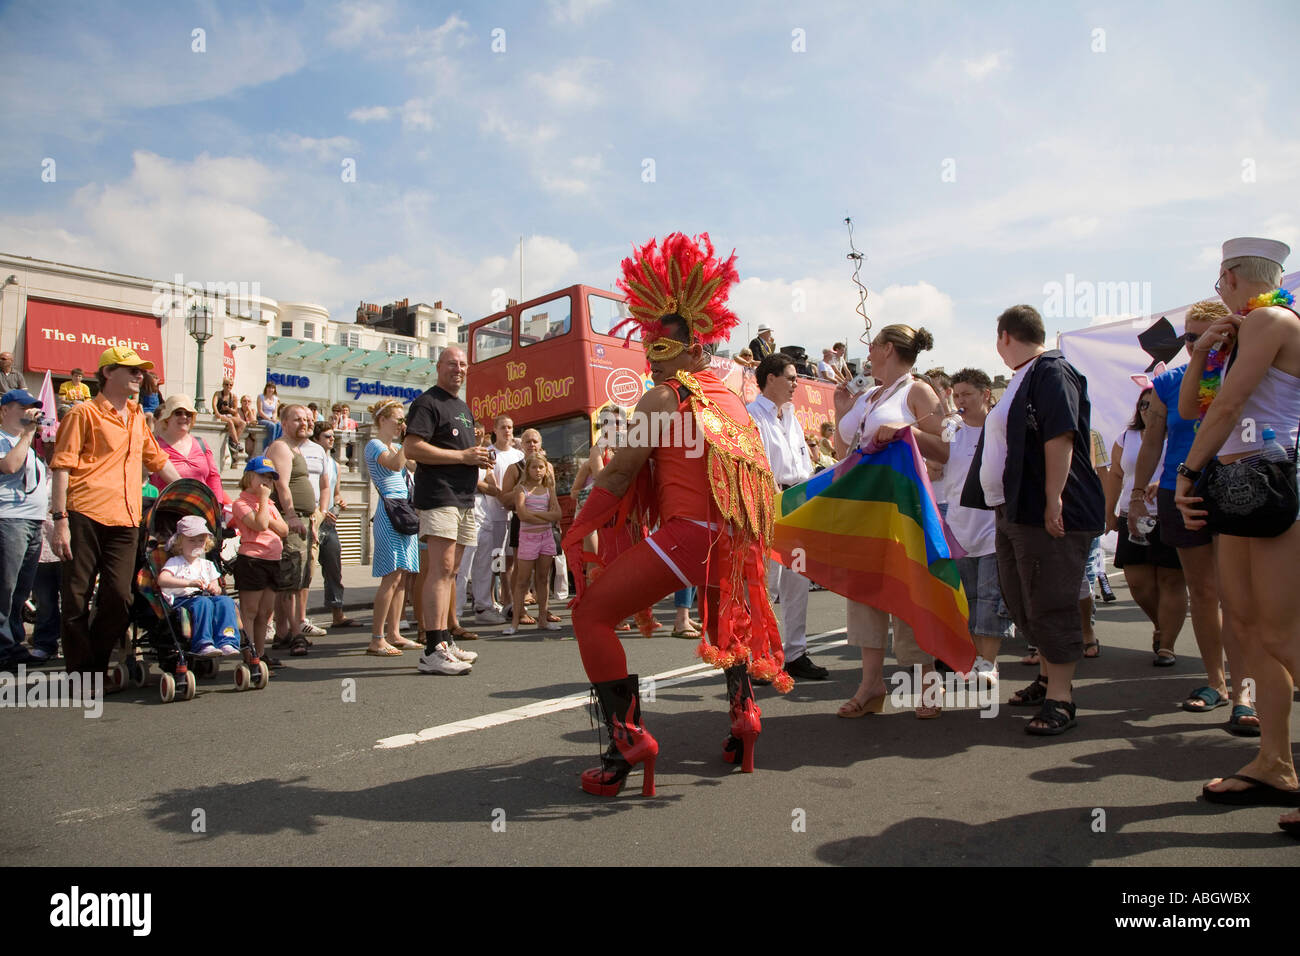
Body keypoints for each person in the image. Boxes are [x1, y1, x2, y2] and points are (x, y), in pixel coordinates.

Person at [563, 232, 789, 798]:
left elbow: (617, 474)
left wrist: (580, 526)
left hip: (689, 535)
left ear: (694, 348)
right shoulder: (733, 399)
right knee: (725, 625)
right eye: (648, 348)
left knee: (591, 616)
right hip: (732, 541)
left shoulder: (665, 397)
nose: (651, 360)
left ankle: (626, 740)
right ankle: (744, 720)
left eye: (661, 349)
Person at [1173, 236, 1300, 826]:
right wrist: (1205, 348)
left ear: (1227, 274)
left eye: (1218, 277)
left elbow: (1228, 408)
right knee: (1248, 627)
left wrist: (1186, 474)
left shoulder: (1272, 318)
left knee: (1280, 630)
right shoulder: (1244, 327)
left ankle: (1277, 759)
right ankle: (1274, 761)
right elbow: (1199, 408)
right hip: (1242, 486)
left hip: (1276, 484)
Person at [961, 305, 1105, 736]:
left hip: (1043, 511)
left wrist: (1053, 497)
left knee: (1050, 598)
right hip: (1014, 510)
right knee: (1023, 598)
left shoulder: (1052, 371)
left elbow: (1060, 434)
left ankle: (1062, 698)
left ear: (1005, 335)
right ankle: (1047, 678)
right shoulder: (1024, 375)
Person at [1130, 298, 1255, 725]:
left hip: (1237, 486)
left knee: (1238, 594)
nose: (1198, 343)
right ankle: (1216, 682)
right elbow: (1151, 443)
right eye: (1190, 336)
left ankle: (1246, 691)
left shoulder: (1248, 374)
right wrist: (1133, 496)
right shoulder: (1168, 384)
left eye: (1211, 334)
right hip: (1177, 490)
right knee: (1202, 592)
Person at [831, 324, 947, 717]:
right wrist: (840, 411)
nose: (868, 351)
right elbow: (842, 450)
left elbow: (946, 447)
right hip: (862, 504)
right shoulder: (869, 394)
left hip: (901, 505)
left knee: (909, 586)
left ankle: (927, 681)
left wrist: (906, 430)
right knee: (865, 592)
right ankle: (871, 684)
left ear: (889, 349)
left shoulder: (918, 390)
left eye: (874, 345)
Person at [50, 346, 181, 678]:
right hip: (84, 513)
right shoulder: (83, 414)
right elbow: (62, 467)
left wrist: (192, 493)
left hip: (126, 518)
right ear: (108, 373)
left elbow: (159, 462)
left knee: (121, 597)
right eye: (131, 369)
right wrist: (59, 520)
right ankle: (84, 673)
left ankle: (93, 665)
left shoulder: (138, 415)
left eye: (141, 371)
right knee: (77, 599)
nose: (140, 375)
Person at [916, 369, 1008, 686]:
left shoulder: (1001, 428)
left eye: (967, 394)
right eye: (956, 395)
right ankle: (977, 661)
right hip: (959, 529)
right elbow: (935, 465)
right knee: (967, 599)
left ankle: (989, 663)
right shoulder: (951, 432)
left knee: (990, 598)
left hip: (995, 527)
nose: (960, 401)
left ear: (985, 394)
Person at [402, 346, 487, 675]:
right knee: (440, 569)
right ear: (438, 367)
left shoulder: (463, 406)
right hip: (439, 495)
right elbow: (412, 447)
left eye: (463, 364)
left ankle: (444, 638)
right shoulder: (427, 402)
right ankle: (432, 648)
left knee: (451, 570)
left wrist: (477, 457)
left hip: (464, 497)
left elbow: (462, 451)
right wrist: (463, 458)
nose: (459, 369)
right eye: (452, 363)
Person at [748, 352, 827, 680]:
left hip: (797, 505)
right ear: (771, 379)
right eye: (792, 377)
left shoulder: (791, 416)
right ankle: (760, 656)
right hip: (769, 506)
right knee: (765, 585)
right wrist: (777, 500)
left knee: (797, 584)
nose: (797, 383)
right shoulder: (752, 414)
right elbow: (757, 465)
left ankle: (795, 653)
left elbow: (801, 464)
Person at [1103, 387, 1185, 666]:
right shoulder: (1126, 438)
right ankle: (1161, 625)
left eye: (1153, 405)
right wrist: (1110, 511)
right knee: (1138, 583)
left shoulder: (1179, 435)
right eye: (1143, 405)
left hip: (1172, 514)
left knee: (1171, 581)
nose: (1148, 410)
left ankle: (1168, 645)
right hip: (1132, 517)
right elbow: (1115, 474)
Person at [266, 403, 326, 655]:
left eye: (307, 419)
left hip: (303, 520)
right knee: (289, 582)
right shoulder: (280, 447)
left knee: (295, 581)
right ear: (284, 423)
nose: (304, 423)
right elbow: (281, 485)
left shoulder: (296, 449)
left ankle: (283, 633)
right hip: (292, 521)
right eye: (297, 419)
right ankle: (294, 633)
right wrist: (290, 515)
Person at [363, 399, 422, 655]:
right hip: (389, 512)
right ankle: (377, 637)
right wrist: (407, 444)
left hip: (403, 509)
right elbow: (396, 464)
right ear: (382, 420)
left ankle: (394, 632)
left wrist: (410, 444)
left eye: (402, 419)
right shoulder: (375, 444)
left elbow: (414, 466)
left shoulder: (398, 445)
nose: (401, 424)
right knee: (391, 576)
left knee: (402, 577)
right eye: (397, 419)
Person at [0, 390, 49, 669]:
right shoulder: (9, 440)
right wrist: (28, 435)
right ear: (5, 409)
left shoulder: (25, 444)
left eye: (33, 408)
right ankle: (3, 647)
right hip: (9, 519)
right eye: (24, 407)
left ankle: (13, 642)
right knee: (4, 588)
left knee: (20, 589)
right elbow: (9, 465)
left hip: (32, 521)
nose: (30, 412)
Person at [231, 457, 290, 667]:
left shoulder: (270, 505)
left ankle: (261, 653)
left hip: (272, 560)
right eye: (262, 475)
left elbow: (284, 530)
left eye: (270, 478)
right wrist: (263, 500)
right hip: (252, 561)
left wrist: (267, 510)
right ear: (249, 477)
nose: (266, 481)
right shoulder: (240, 503)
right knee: (250, 611)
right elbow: (259, 524)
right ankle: (250, 654)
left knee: (265, 612)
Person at [155, 515, 241, 658]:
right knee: (203, 603)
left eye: (201, 540)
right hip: (183, 600)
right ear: (180, 543)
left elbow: (216, 584)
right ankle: (203, 642)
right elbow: (162, 580)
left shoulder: (207, 565)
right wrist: (189, 583)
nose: (196, 544)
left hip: (205, 598)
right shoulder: (175, 562)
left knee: (225, 601)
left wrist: (215, 587)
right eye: (191, 540)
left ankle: (227, 640)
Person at [469, 415, 522, 623]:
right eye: (503, 427)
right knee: (494, 561)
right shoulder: (489, 453)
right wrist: (503, 497)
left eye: (510, 427)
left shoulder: (518, 454)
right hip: (493, 514)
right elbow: (489, 483)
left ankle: (507, 600)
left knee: (509, 562)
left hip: (514, 514)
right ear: (495, 430)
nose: (507, 431)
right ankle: (487, 600)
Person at [504, 453, 562, 634]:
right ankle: (514, 622)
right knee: (523, 580)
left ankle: (543, 619)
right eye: (534, 467)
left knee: (543, 579)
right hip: (528, 538)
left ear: (546, 470)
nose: (538, 471)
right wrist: (546, 516)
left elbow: (557, 514)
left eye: (541, 467)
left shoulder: (548, 489)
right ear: (527, 469)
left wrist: (536, 515)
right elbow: (522, 515)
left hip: (546, 537)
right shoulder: (521, 489)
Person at [150, 394, 228, 507]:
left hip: (201, 510)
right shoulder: (155, 445)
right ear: (167, 418)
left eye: (188, 414)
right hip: (166, 512)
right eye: (178, 413)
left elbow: (213, 477)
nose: (184, 417)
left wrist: (217, 505)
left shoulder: (201, 444)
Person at [311, 422, 354, 629]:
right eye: (327, 436)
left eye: (332, 436)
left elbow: (335, 493)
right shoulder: (310, 459)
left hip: (329, 523)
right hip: (313, 519)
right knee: (305, 571)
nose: (332, 439)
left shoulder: (336, 464)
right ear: (317, 438)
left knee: (334, 568)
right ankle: (298, 619)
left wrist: (340, 502)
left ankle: (338, 613)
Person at [212, 378, 244, 459]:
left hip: (229, 414)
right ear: (223, 385)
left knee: (243, 423)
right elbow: (214, 405)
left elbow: (235, 410)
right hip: (220, 415)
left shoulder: (233, 396)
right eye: (226, 384)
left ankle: (232, 440)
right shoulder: (218, 394)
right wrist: (218, 414)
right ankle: (236, 443)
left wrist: (228, 409)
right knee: (230, 422)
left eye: (230, 385)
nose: (228, 386)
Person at [258, 383, 279, 450]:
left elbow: (275, 412)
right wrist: (269, 419)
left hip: (271, 419)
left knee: (280, 425)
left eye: (272, 388)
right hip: (262, 418)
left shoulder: (275, 399)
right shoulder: (261, 397)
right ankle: (270, 445)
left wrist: (274, 418)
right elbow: (260, 411)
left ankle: (277, 444)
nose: (271, 389)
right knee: (272, 425)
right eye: (269, 388)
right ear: (266, 388)